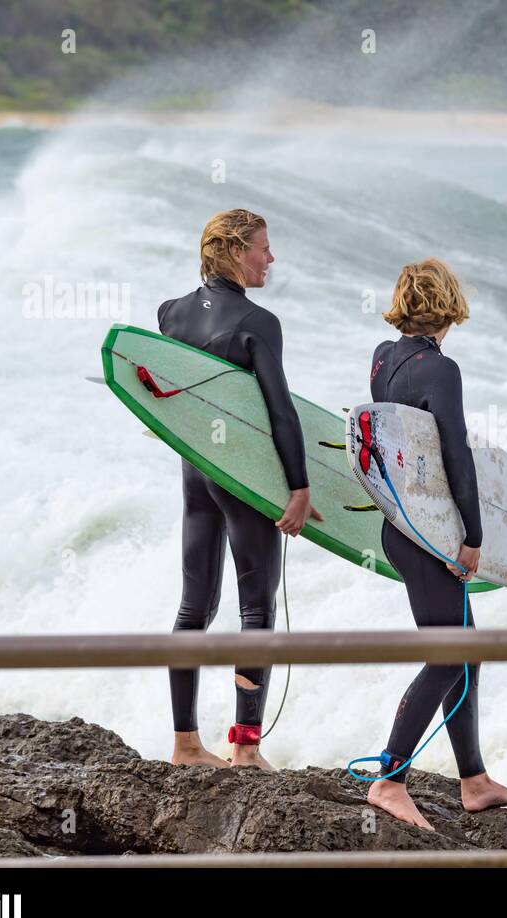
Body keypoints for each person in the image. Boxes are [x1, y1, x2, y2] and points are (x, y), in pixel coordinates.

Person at [364, 258, 507, 830]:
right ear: (449, 304)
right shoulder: (442, 369)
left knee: (465, 650)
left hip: (400, 526)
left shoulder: (383, 358)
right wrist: (473, 537)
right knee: (447, 655)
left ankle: (475, 781)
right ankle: (389, 779)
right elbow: (455, 456)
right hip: (433, 535)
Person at [155, 208, 322, 769]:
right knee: (256, 609)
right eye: (263, 249)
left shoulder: (170, 315)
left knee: (192, 605)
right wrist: (298, 488)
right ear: (232, 251)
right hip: (242, 477)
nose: (270, 259)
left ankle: (184, 744)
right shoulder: (259, 323)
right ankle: (245, 749)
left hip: (195, 473)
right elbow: (281, 414)